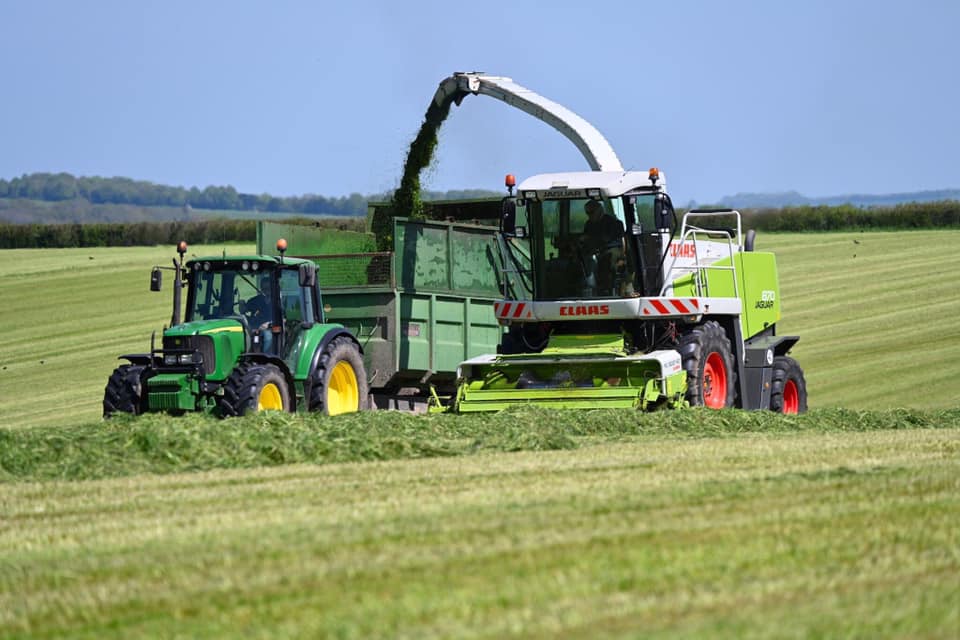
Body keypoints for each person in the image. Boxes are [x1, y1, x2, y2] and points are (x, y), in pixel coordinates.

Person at [582, 200, 626, 295]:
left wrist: (622, 256)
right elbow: (585, 238)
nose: (589, 215)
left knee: (608, 258)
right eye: (587, 213)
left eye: (591, 212)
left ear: (599, 211)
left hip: (611, 249)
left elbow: (608, 239)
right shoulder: (588, 224)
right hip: (595, 250)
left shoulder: (613, 223)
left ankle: (606, 289)